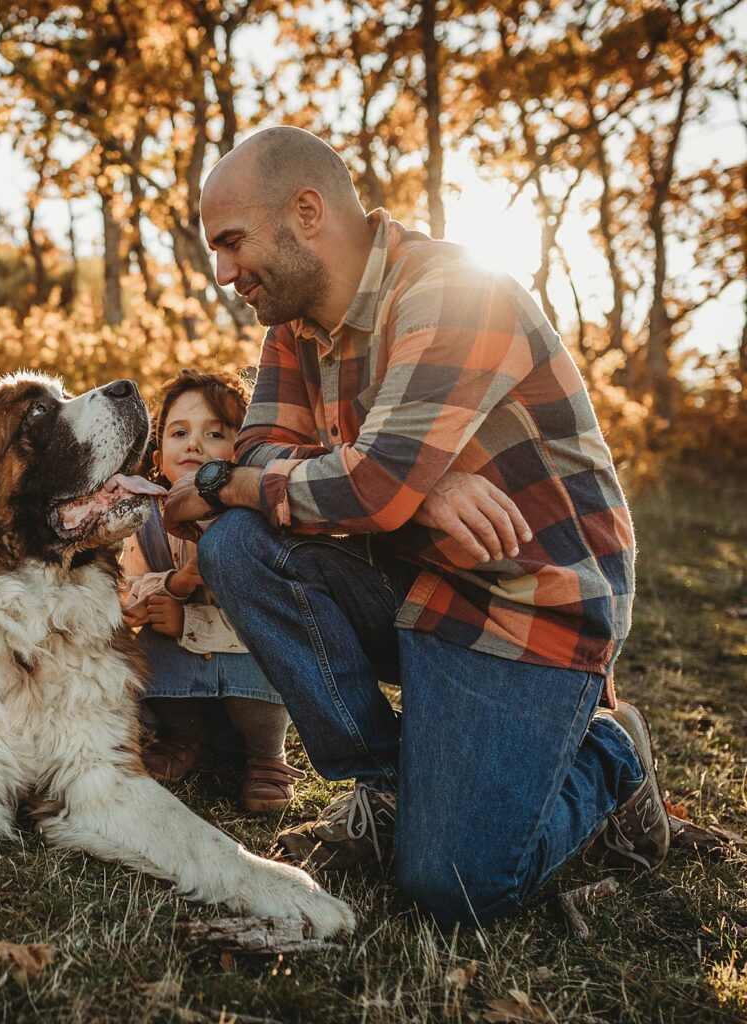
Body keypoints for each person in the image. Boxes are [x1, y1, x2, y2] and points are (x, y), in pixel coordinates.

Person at [162, 125, 666, 928]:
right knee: (238, 545)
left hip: (530, 605)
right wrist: (412, 487)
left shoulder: (449, 290)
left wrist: (386, 482)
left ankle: (612, 758)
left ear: (305, 211)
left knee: (454, 890)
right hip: (413, 573)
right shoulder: (292, 328)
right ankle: (395, 787)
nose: (224, 273)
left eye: (231, 242)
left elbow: (355, 487)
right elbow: (265, 449)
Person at [119, 369, 303, 811]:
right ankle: (184, 737)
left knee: (269, 651)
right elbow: (126, 597)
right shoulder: (145, 521)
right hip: (184, 694)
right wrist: (175, 585)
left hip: (248, 684)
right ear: (159, 448)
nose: (193, 444)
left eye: (214, 433)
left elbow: (276, 614)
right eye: (179, 432)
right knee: (150, 648)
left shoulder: (256, 525)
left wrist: (191, 619)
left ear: (241, 449)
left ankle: (266, 757)